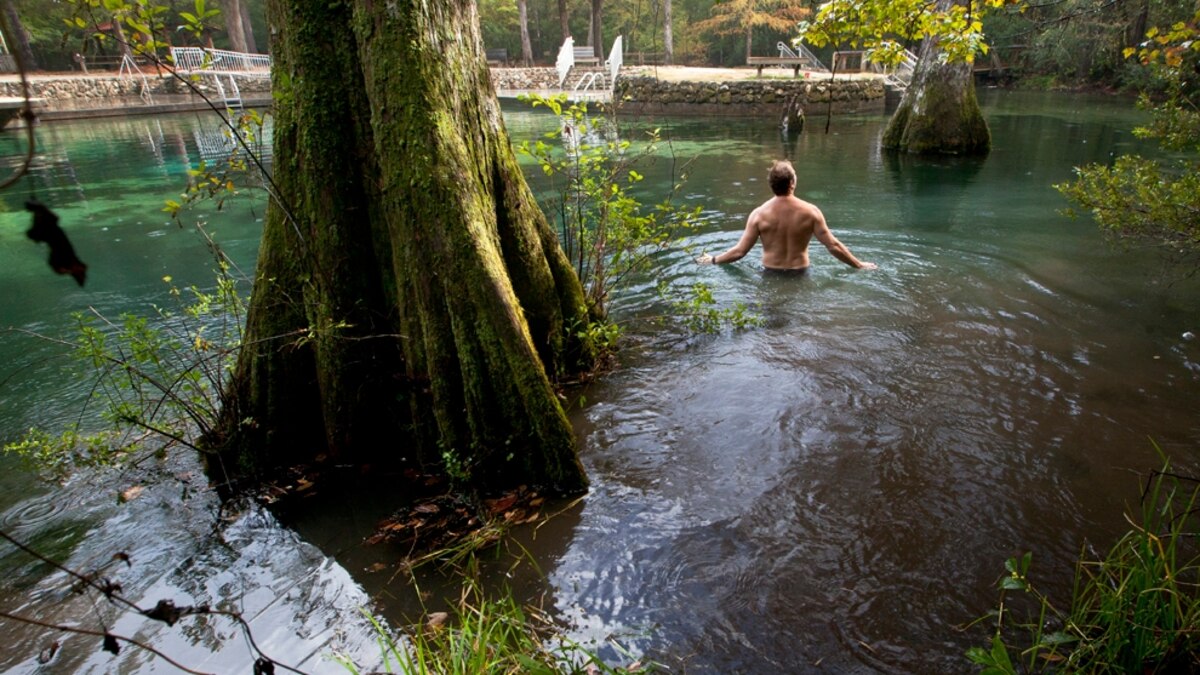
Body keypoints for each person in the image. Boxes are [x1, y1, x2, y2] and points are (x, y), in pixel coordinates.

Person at [698, 160, 877, 273]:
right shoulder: (811, 212)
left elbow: (740, 251)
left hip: (770, 273)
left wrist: (713, 260)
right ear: (792, 183)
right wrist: (859, 265)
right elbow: (833, 246)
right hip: (801, 273)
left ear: (771, 185)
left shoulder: (759, 215)